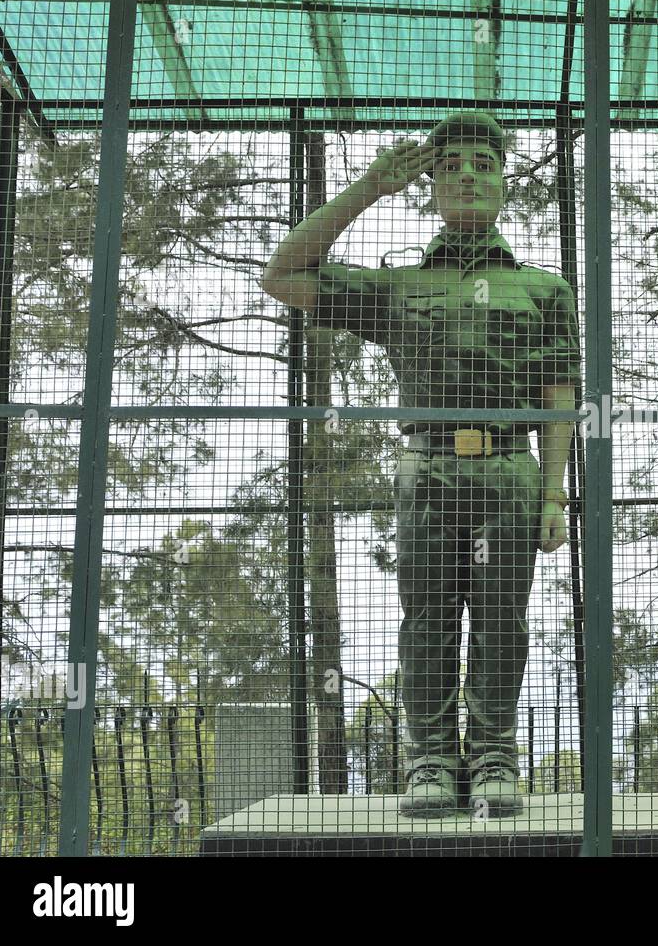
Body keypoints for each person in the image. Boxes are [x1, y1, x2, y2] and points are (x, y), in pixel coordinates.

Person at [261, 113, 580, 818]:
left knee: (503, 617)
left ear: (504, 183)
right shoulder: (397, 286)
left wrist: (555, 496)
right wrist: (368, 189)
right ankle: (430, 760)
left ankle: (494, 757)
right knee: (426, 617)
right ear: (430, 184)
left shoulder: (544, 290)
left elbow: (561, 394)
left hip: (509, 470)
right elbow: (283, 274)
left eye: (484, 162)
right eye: (451, 163)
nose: (468, 173)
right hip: (426, 467)